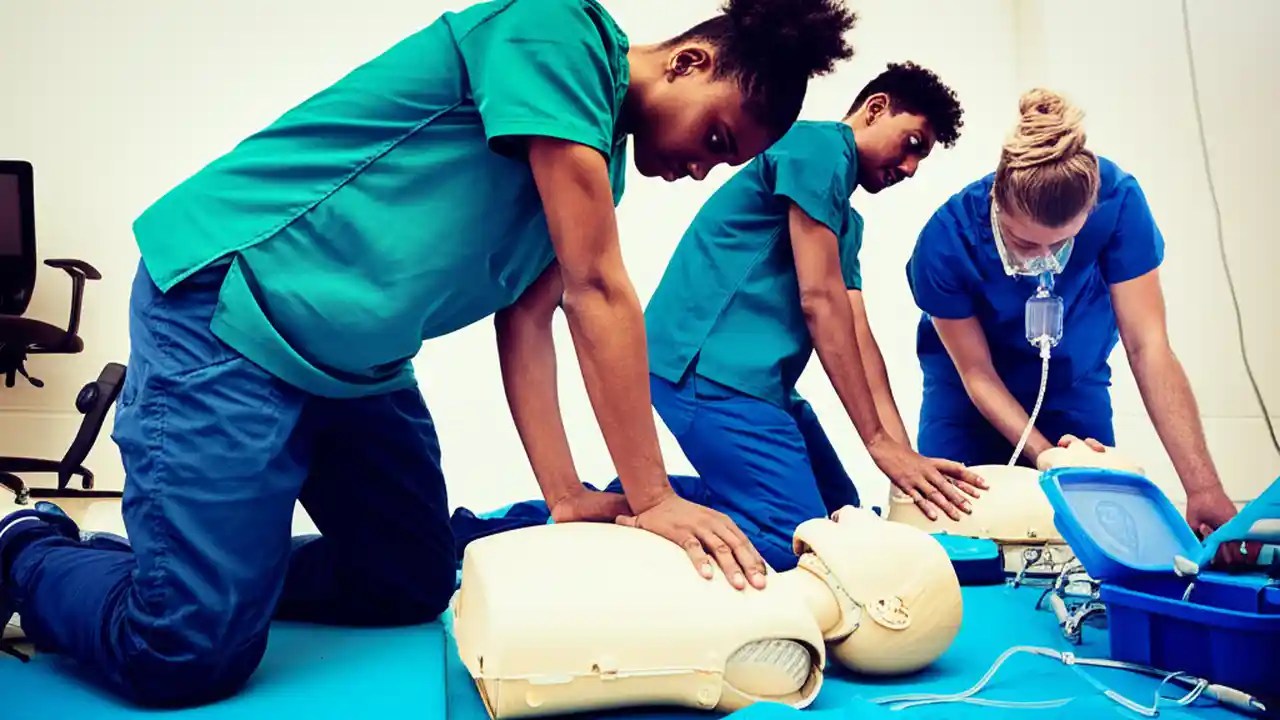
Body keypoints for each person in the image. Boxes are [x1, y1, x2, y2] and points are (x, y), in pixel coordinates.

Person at [0, 0, 858, 707]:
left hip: (356, 366)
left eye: (726, 164)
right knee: (182, 652)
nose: (701, 170)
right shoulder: (555, 31)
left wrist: (565, 495)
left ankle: (185, 571)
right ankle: (27, 545)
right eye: (715, 139)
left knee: (409, 581)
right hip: (231, 308)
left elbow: (532, 320)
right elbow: (599, 290)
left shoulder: (598, 163)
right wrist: (654, 496)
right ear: (690, 63)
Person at [614, 61, 980, 572]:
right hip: (703, 369)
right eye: (913, 143)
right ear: (875, 110)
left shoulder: (844, 220)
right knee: (799, 548)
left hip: (761, 387)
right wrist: (876, 442)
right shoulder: (820, 147)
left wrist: (902, 457)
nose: (912, 167)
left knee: (843, 514)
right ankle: (618, 518)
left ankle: (647, 499)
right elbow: (820, 301)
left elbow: (856, 333)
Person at [904, 88, 1240, 547]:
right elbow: (976, 373)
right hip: (967, 398)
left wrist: (1203, 487)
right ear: (998, 202)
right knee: (959, 535)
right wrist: (1046, 457)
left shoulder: (1118, 203)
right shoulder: (946, 242)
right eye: (1025, 244)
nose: (1045, 260)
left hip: (1072, 382)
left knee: (1090, 534)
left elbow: (1149, 347)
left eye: (1061, 245)